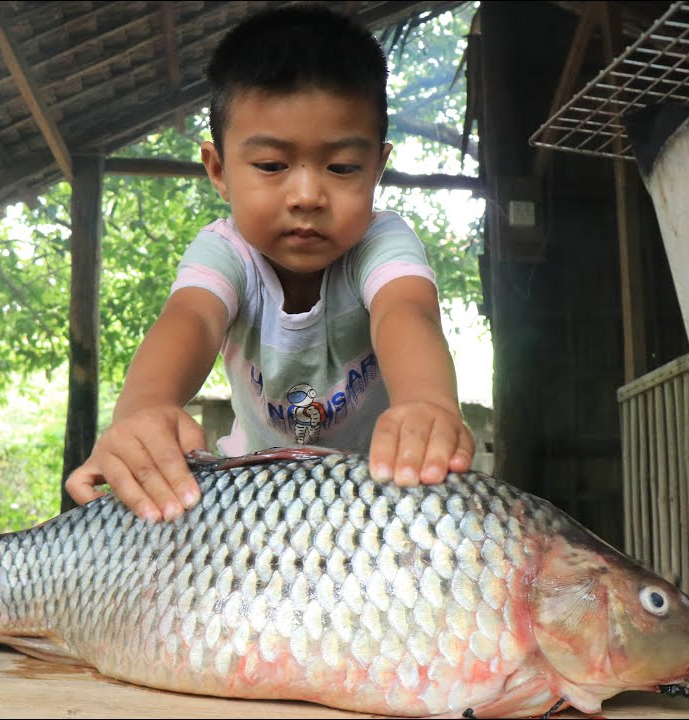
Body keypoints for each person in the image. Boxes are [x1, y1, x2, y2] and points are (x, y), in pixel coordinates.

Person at [65, 4, 474, 521]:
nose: (307, 194)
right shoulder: (225, 250)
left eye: (343, 167)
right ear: (218, 170)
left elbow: (406, 312)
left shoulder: (382, 242)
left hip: (378, 495)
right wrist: (142, 413)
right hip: (249, 499)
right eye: (272, 165)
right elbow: (189, 319)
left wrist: (430, 406)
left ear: (378, 169)